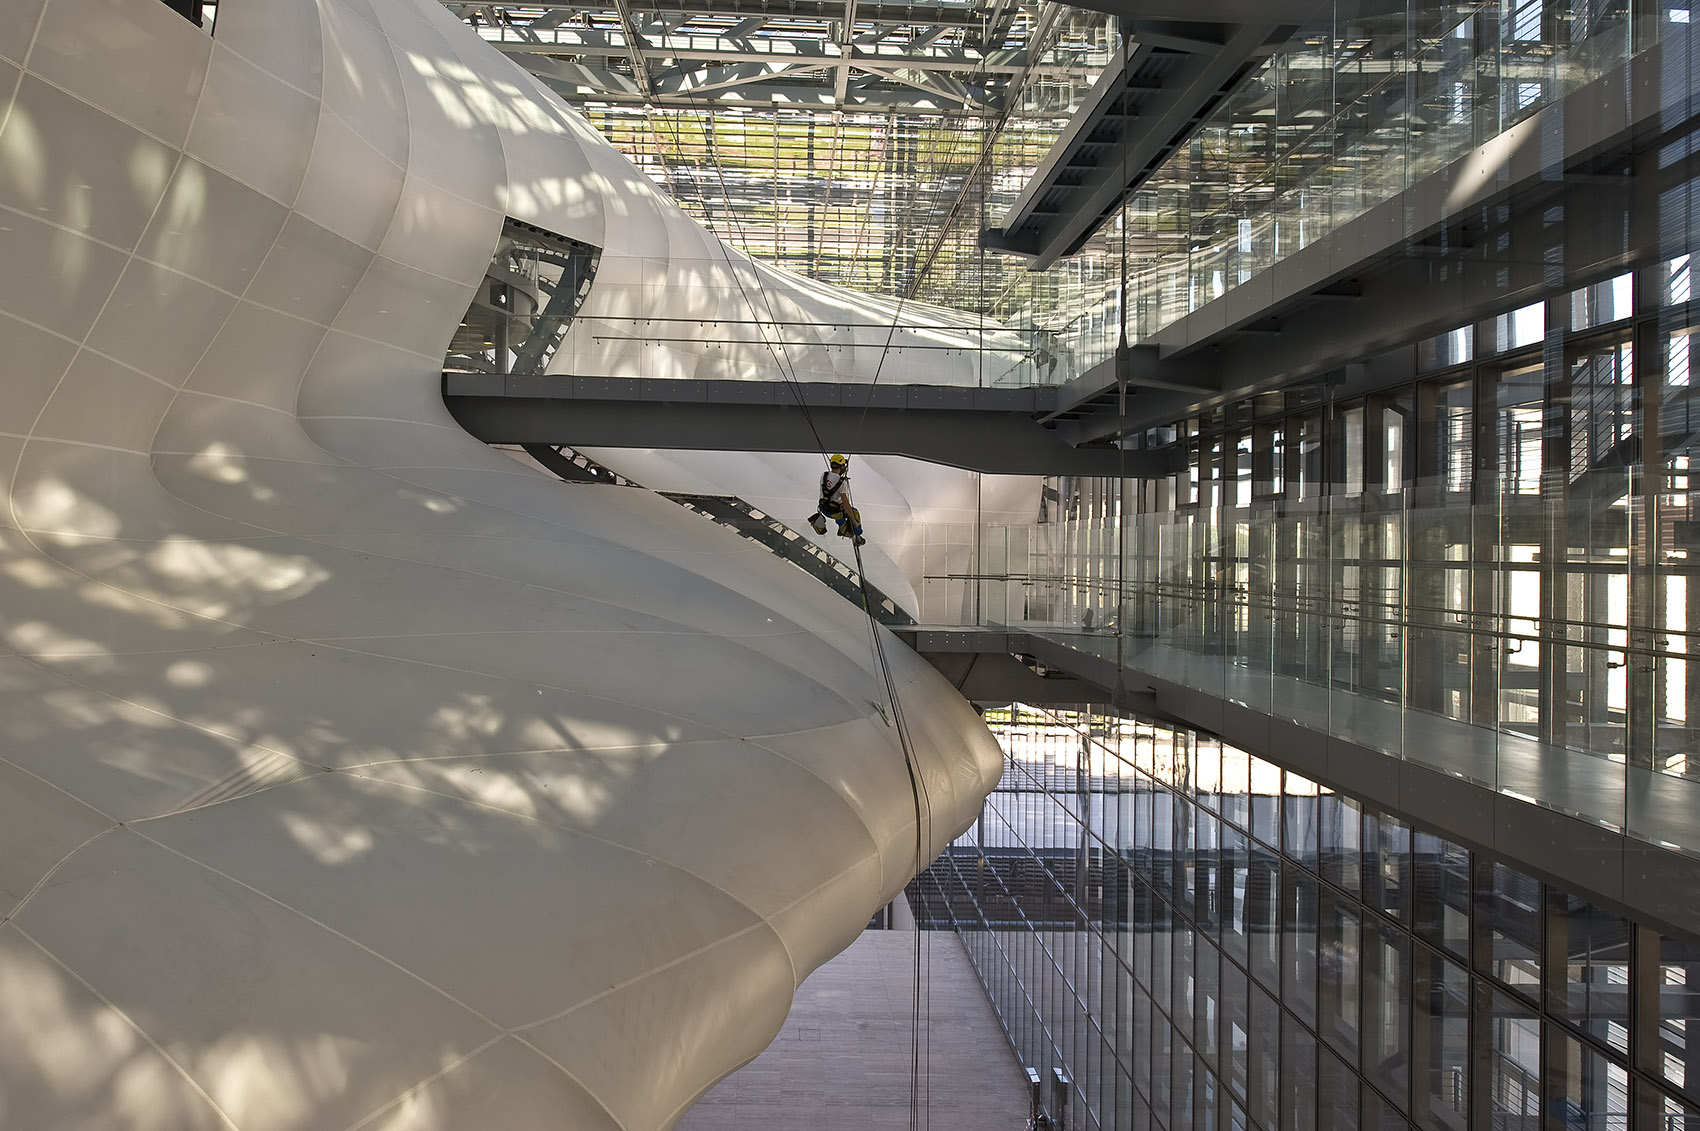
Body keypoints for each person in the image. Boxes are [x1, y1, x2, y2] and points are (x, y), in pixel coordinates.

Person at [808, 453, 865, 547]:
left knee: (842, 512)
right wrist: (855, 522)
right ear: (842, 467)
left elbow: (831, 484)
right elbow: (846, 504)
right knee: (853, 513)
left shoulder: (824, 475)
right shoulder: (842, 484)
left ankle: (842, 527)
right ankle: (854, 535)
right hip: (834, 512)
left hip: (823, 508)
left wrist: (841, 480)